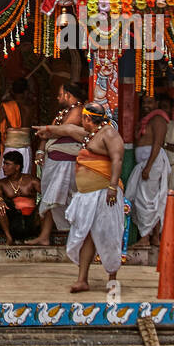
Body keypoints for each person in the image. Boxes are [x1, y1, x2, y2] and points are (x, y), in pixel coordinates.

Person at [35, 103, 125, 293]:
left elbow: (117, 159)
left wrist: (113, 186)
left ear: (87, 118)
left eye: (82, 118)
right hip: (87, 195)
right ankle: (82, 279)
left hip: (105, 192)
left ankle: (112, 279)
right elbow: (68, 129)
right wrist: (48, 129)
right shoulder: (90, 135)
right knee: (85, 235)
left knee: (109, 234)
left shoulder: (109, 134)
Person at [29, 81, 85, 245]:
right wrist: (40, 150)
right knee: (49, 197)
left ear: (68, 94)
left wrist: (48, 130)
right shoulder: (63, 112)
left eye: (60, 94)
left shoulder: (79, 110)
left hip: (68, 162)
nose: (58, 97)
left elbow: (64, 129)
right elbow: (48, 133)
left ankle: (77, 238)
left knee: (66, 199)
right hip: (54, 159)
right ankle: (44, 236)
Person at [125, 94, 170, 247]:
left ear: (156, 103)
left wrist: (149, 167)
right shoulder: (148, 119)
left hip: (152, 164)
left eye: (150, 102)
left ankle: (145, 238)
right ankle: (154, 238)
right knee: (149, 200)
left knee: (145, 201)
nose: (146, 105)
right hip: (144, 164)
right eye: (144, 102)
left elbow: (157, 144)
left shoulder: (158, 119)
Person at [0, 151, 40, 243]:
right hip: (13, 222)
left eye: (7, 164)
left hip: (31, 220)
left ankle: (41, 236)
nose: (3, 167)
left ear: (17, 167)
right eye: (4, 164)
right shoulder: (0, 183)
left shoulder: (32, 181)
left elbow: (47, 195)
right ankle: (9, 237)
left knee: (46, 204)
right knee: (0, 204)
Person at [0, 78, 34, 173]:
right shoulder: (30, 107)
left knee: (7, 177)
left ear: (11, 91)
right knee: (23, 176)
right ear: (26, 92)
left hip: (11, 148)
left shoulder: (7, 107)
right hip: (26, 148)